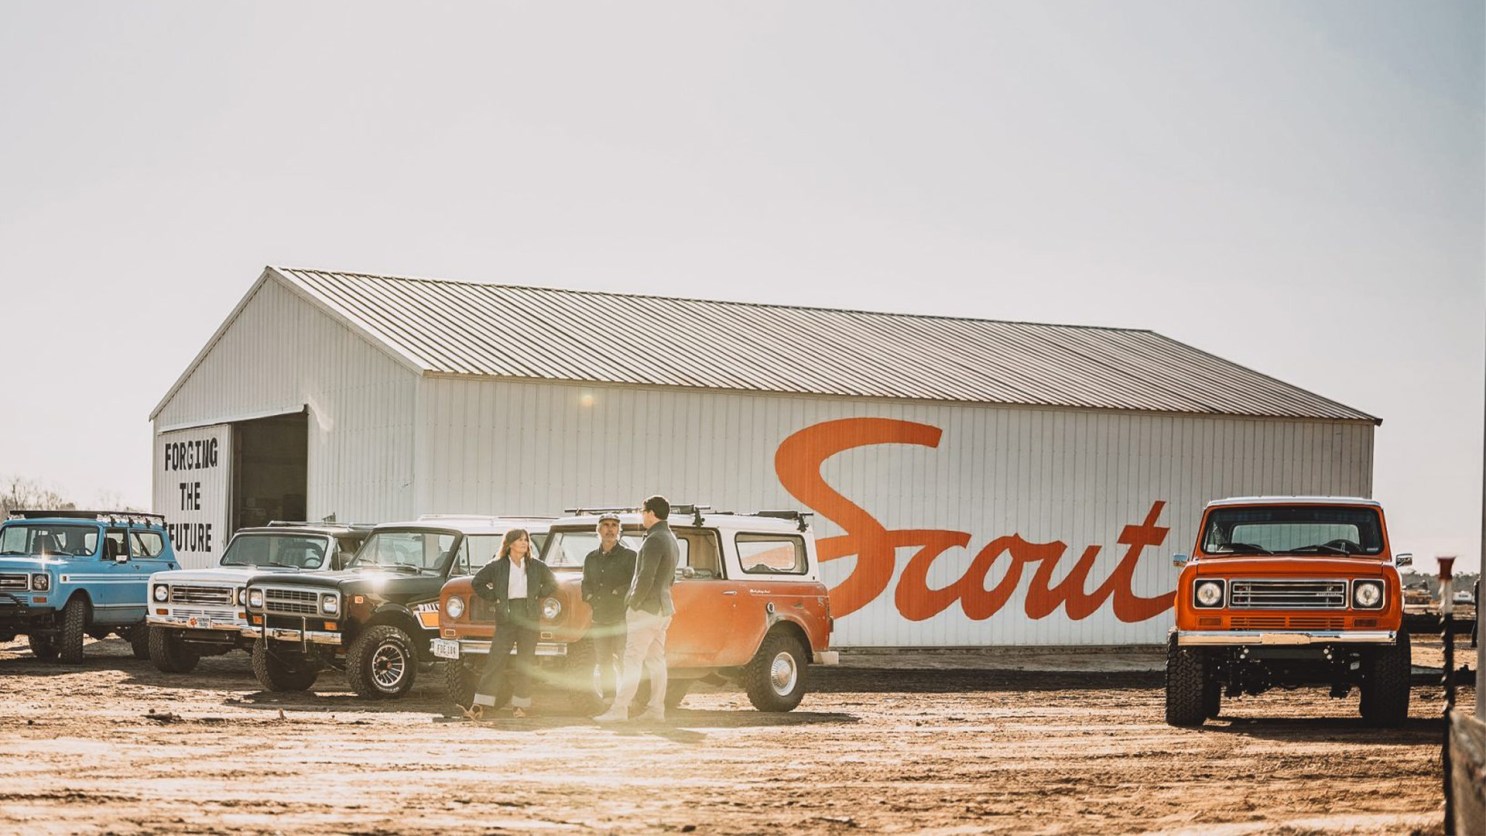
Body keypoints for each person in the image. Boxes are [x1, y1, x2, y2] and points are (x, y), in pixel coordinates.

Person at [596, 495, 679, 722]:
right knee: (656, 661)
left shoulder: (654, 539)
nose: (641, 516)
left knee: (632, 660)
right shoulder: (671, 538)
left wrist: (633, 602)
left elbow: (645, 576)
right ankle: (656, 709)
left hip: (645, 610)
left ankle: (619, 709)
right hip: (663, 608)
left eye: (642, 512)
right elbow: (670, 577)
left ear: (650, 513)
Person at [467, 528, 557, 719]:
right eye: (520, 540)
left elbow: (552, 582)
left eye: (526, 540)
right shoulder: (497, 565)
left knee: (525, 662)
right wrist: (495, 597)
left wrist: (537, 594)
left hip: (529, 617)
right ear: (509, 544)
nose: (524, 543)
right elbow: (477, 582)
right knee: (496, 660)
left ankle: (520, 706)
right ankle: (480, 704)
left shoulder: (536, 565)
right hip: (506, 617)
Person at [581, 512, 636, 710]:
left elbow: (635, 583)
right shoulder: (591, 558)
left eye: (614, 525)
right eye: (606, 525)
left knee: (623, 659)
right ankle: (608, 698)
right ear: (598, 529)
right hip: (599, 617)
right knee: (603, 661)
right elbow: (585, 583)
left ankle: (627, 699)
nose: (610, 529)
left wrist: (618, 592)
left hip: (621, 617)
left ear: (619, 530)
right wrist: (589, 597)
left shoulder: (630, 556)